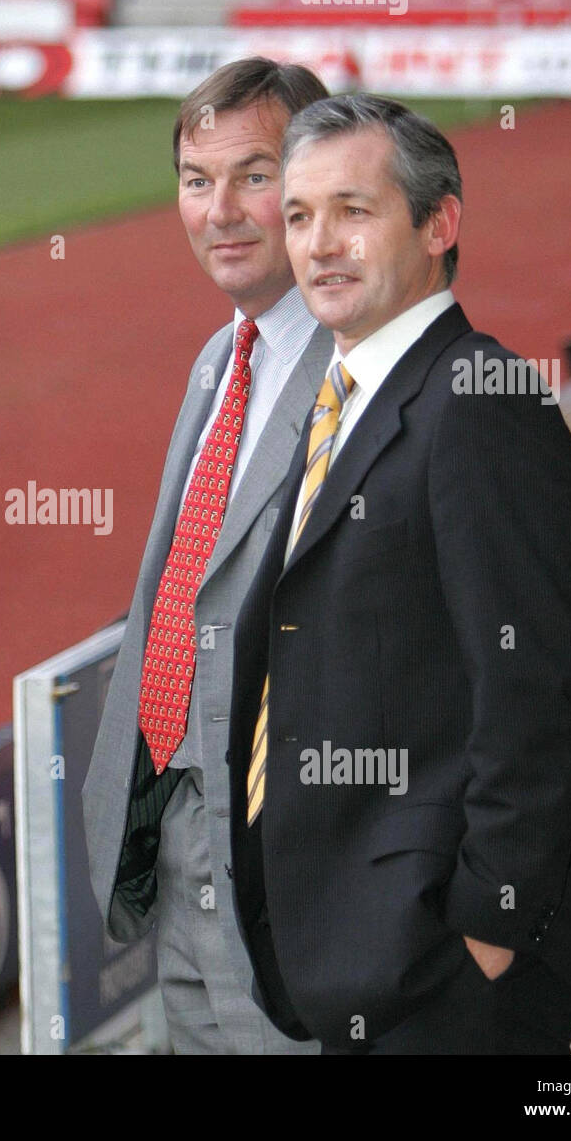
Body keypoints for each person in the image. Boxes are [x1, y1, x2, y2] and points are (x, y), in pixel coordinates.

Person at [227, 93, 571, 1054]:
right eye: (302, 217)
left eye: (354, 212)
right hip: (351, 950)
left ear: (440, 224)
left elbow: (535, 688)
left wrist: (485, 929)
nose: (319, 246)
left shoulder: (481, 401)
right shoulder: (339, 400)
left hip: (441, 962)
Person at [81, 58, 333, 1053]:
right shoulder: (217, 359)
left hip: (289, 859)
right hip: (182, 833)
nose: (219, 210)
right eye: (195, 179)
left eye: (253, 175)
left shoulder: (359, 369)